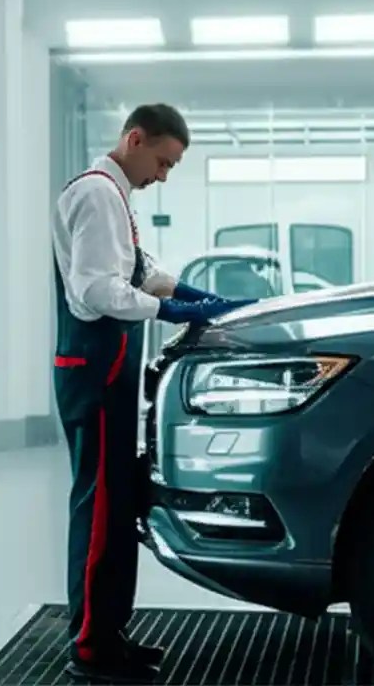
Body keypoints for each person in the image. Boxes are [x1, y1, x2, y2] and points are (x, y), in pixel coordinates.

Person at [51, 103, 252, 683]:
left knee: (117, 508)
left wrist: (202, 298)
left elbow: (139, 270)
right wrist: (171, 309)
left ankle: (109, 633)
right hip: (95, 372)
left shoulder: (115, 198)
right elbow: (98, 290)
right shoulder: (95, 194)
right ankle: (90, 647)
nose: (162, 176)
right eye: (163, 162)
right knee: (99, 511)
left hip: (109, 370)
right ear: (135, 139)